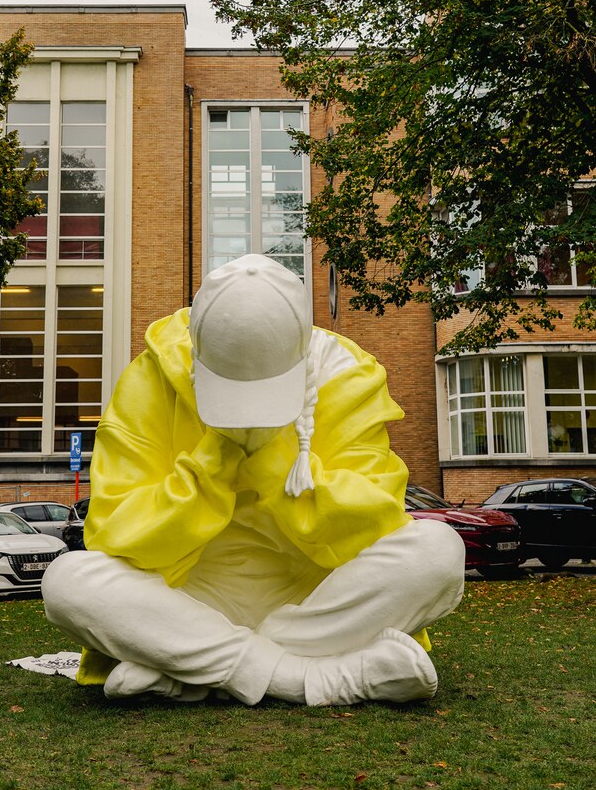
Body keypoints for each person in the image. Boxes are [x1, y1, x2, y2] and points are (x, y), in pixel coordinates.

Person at [42, 254, 465, 706]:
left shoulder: (347, 375)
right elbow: (115, 534)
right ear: (196, 356)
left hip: (315, 597)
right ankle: (313, 677)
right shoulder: (152, 376)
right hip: (187, 597)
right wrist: (215, 457)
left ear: (303, 358)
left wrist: (272, 459)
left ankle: (192, 669)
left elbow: (373, 524)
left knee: (438, 552)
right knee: (68, 582)